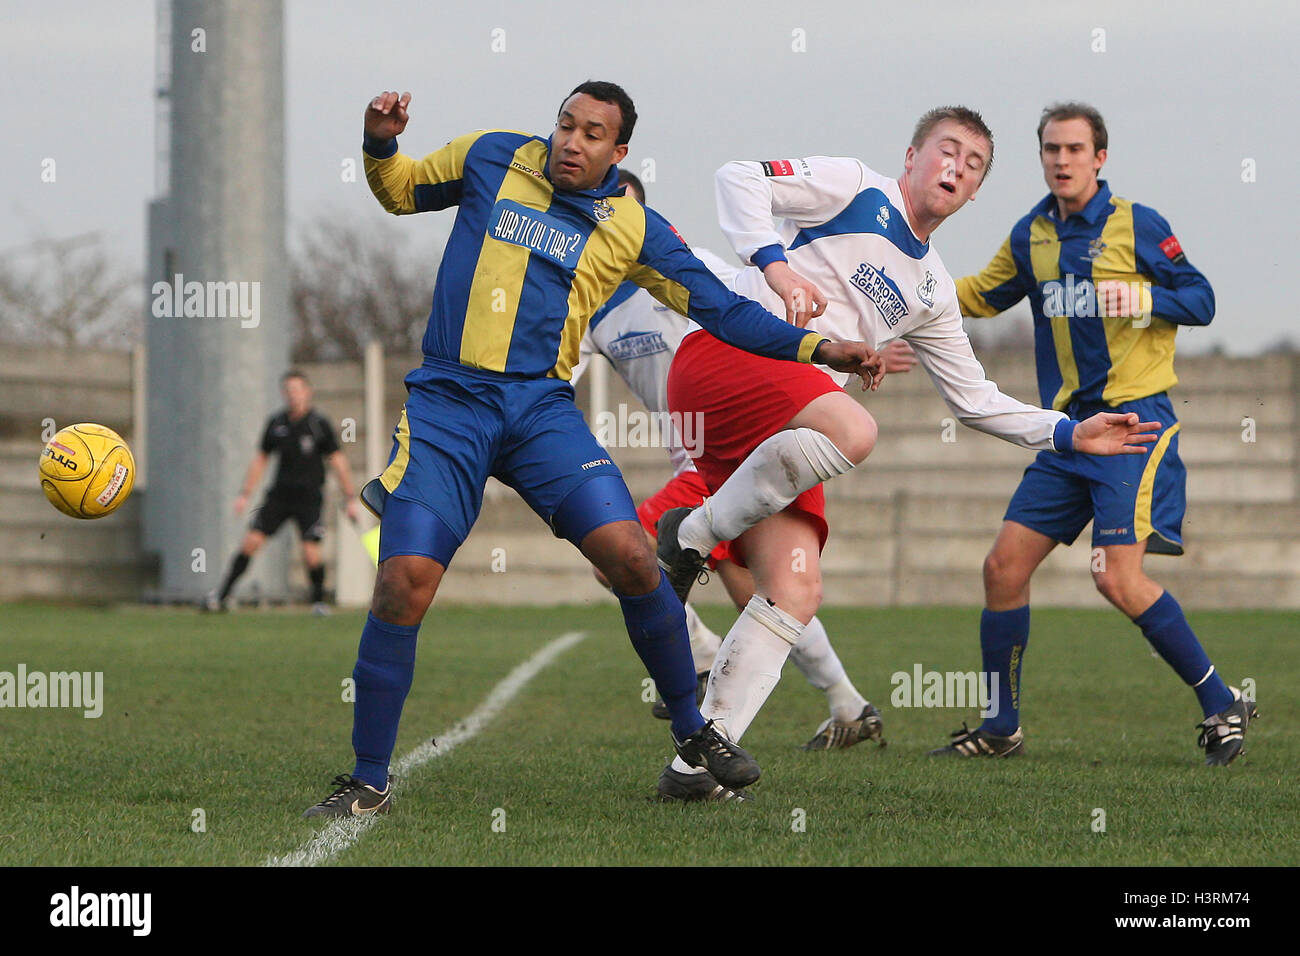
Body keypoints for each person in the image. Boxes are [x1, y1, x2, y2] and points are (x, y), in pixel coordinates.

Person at [303, 81, 883, 817]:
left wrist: (822, 347)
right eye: (565, 125)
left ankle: (693, 730)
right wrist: (379, 141)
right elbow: (397, 190)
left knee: (635, 557)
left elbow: (725, 312)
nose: (571, 143)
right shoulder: (492, 156)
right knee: (403, 578)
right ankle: (367, 782)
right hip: (451, 404)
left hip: (540, 410)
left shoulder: (633, 228)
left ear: (620, 151)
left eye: (591, 134)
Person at [655, 107, 1164, 787]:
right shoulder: (856, 188)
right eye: (946, 151)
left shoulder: (931, 292)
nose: (956, 167)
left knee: (795, 589)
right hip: (727, 351)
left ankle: (697, 762)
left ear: (976, 191)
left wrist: (1071, 430)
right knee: (856, 429)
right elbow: (738, 178)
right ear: (911, 156)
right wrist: (775, 269)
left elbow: (975, 400)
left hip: (785, 426)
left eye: (973, 164)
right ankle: (691, 534)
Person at [928, 102, 1255, 765]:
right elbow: (977, 296)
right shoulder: (1033, 235)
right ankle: (1000, 728)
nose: (1062, 160)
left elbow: (1202, 298)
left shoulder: (1138, 224)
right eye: (1051, 149)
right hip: (1072, 435)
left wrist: (1143, 298)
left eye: (1075, 149)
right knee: (1002, 569)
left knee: (1114, 578)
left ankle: (1224, 702)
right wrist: (900, 285)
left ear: (1099, 158)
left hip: (1134, 425)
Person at [572, 172, 897, 798]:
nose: (619, 229)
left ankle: (698, 665)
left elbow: (772, 309)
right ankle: (847, 705)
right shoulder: (589, 307)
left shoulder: (694, 267)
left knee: (627, 558)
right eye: (602, 217)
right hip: (694, 460)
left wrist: (845, 344)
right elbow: (559, 373)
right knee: (760, 588)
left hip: (729, 449)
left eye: (630, 215)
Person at [205, 370, 358, 614]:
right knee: (250, 542)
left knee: (311, 552)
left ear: (308, 392)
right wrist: (245, 494)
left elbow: (337, 460)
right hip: (279, 496)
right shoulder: (277, 423)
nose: (294, 396)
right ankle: (221, 596)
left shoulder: (319, 425)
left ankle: (318, 602)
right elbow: (261, 459)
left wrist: (350, 497)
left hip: (309, 498)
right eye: (289, 391)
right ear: (283, 394)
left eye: (298, 390)